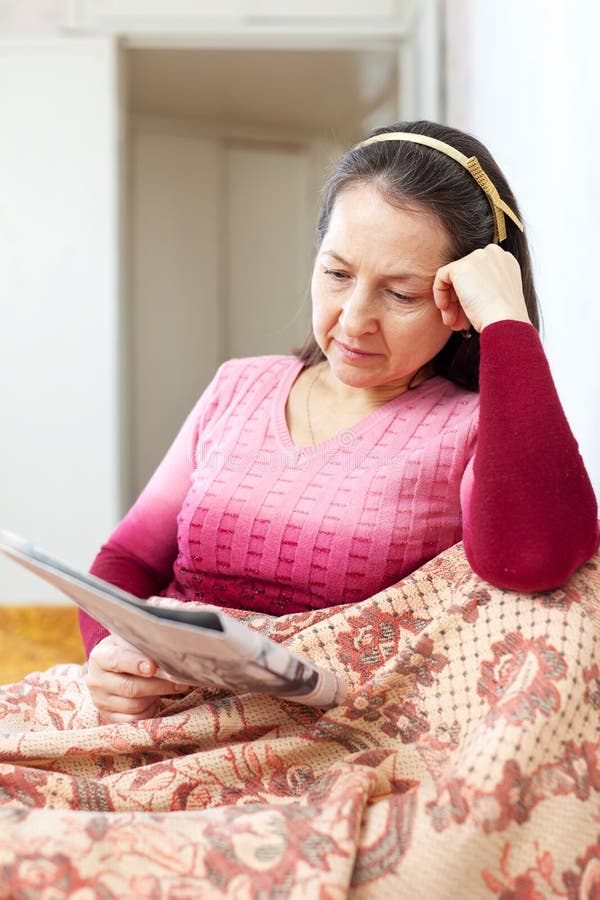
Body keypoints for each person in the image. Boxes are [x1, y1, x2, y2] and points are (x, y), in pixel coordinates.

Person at [82, 120, 599, 723]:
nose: (354, 320)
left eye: (401, 294)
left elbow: (531, 559)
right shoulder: (239, 385)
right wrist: (113, 661)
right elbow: (126, 561)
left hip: (333, 736)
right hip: (163, 715)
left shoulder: (474, 427)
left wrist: (508, 323)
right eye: (336, 274)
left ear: (458, 302)